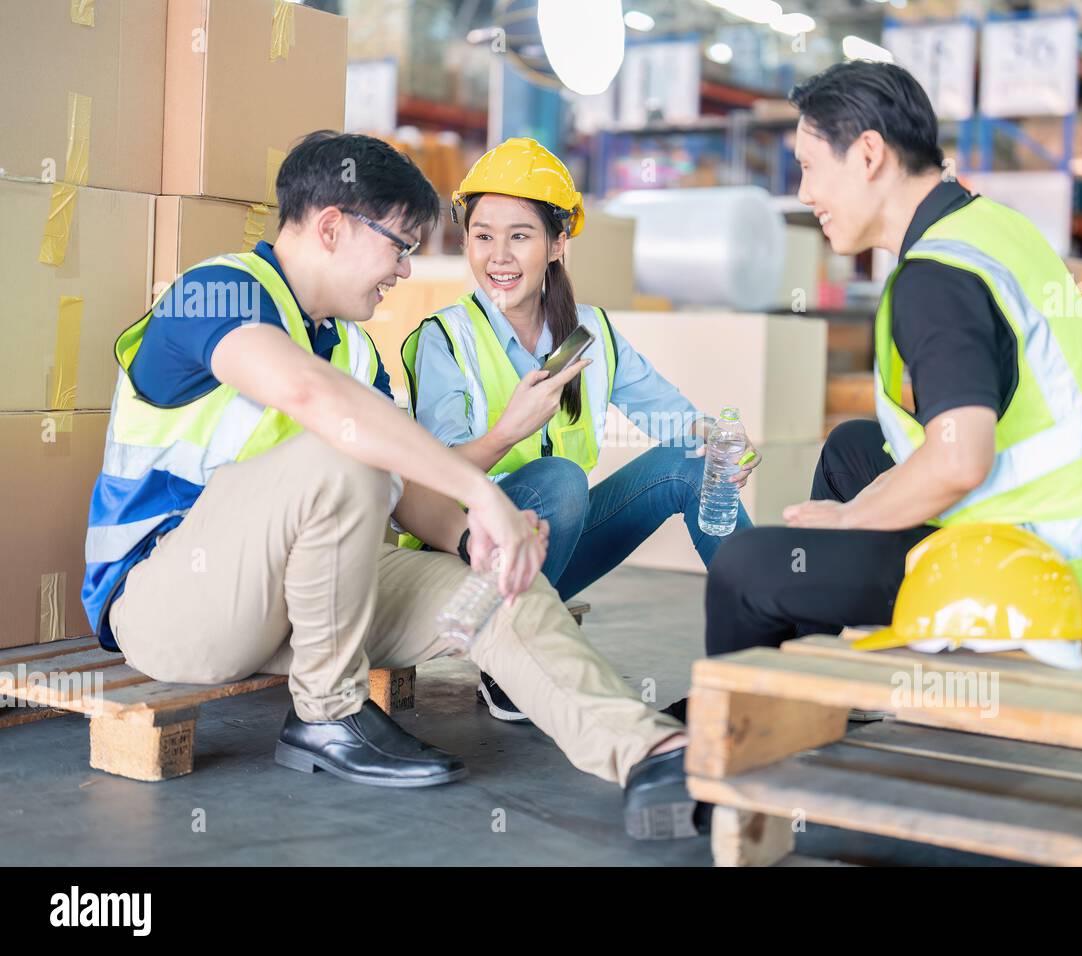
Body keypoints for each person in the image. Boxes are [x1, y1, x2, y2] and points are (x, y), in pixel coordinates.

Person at [80, 131, 705, 840]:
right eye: (400, 246)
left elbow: (406, 487)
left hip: (306, 605)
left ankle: (652, 754)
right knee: (344, 451)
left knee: (499, 587)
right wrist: (487, 493)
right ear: (331, 226)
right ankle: (327, 715)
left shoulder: (354, 347)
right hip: (172, 604)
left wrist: (476, 535)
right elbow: (314, 401)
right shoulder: (215, 291)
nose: (406, 271)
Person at [705, 61, 1082, 660]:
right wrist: (861, 508)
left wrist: (847, 523)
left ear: (868, 155)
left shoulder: (937, 277)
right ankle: (811, 679)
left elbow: (960, 460)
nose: (804, 192)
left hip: (1039, 569)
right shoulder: (988, 226)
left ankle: (728, 738)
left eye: (810, 167)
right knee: (852, 450)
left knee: (743, 567)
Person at [402, 138, 761, 722]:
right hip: (468, 559)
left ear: (557, 244)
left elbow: (674, 420)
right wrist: (505, 433)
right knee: (560, 480)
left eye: (519, 235)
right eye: (483, 234)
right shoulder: (446, 339)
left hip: (554, 551)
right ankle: (506, 657)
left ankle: (770, 650)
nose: (498, 254)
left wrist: (723, 441)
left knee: (692, 464)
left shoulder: (588, 334)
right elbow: (427, 485)